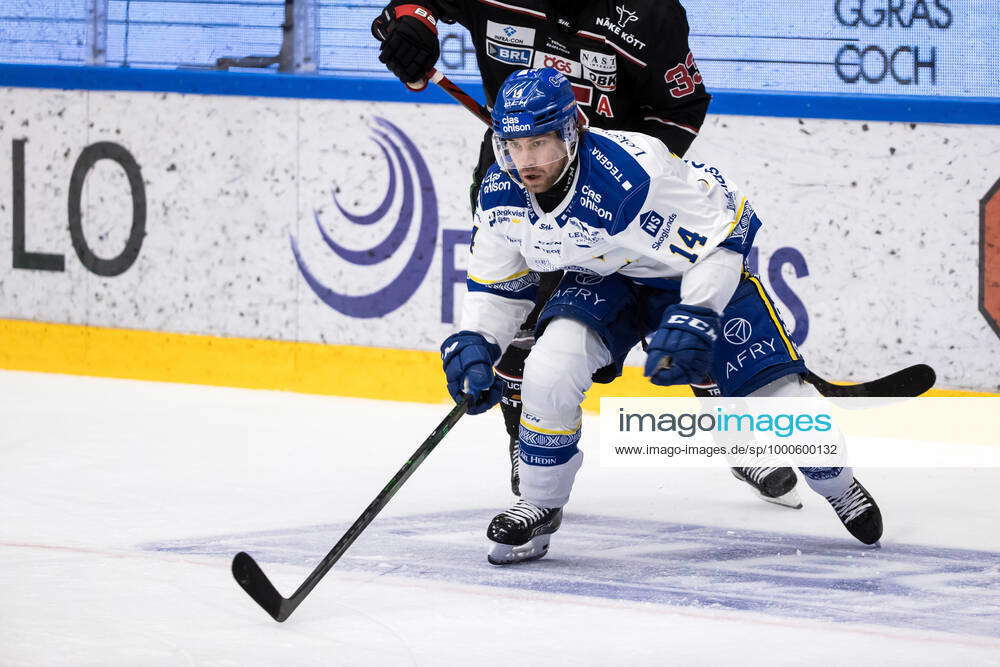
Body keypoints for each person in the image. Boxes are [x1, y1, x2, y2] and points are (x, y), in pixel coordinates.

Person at [438, 67, 883, 565]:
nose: (525, 161)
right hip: (607, 278)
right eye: (513, 146)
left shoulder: (632, 177)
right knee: (548, 368)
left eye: (539, 144)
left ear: (572, 131)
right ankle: (539, 505)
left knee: (789, 409)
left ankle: (839, 485)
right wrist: (478, 339)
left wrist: (696, 312)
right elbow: (499, 285)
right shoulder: (502, 192)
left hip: (690, 272)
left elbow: (723, 241)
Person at [372, 0, 801, 504]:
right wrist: (410, 25)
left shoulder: (650, 12)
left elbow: (678, 110)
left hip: (619, 192)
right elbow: (409, 6)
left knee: (680, 306)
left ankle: (732, 430)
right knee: (521, 320)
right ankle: (526, 445)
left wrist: (609, 182)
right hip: (516, 176)